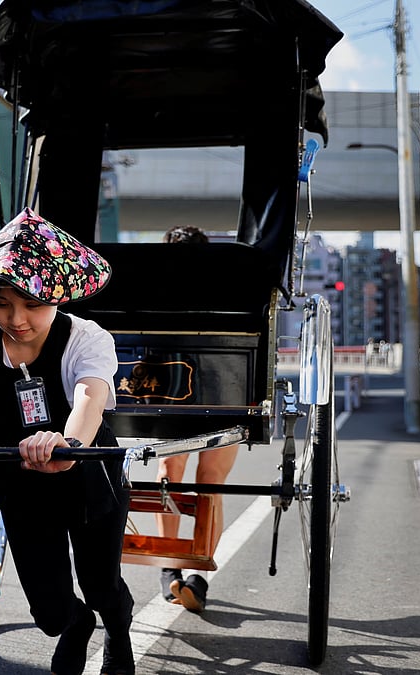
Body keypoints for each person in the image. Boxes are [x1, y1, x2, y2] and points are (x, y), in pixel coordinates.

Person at [0, 208, 135, 675]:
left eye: (32, 304)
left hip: (86, 473)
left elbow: (90, 397)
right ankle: (76, 625)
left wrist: (68, 445)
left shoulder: (88, 339)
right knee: (50, 610)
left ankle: (118, 634)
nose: (16, 319)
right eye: (1, 303)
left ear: (57, 296)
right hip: (18, 480)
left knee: (102, 586)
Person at [155, 224, 239, 613]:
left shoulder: (158, 288)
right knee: (210, 482)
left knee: (172, 474)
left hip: (172, 388)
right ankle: (193, 575)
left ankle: (173, 567)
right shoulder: (225, 287)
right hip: (225, 388)